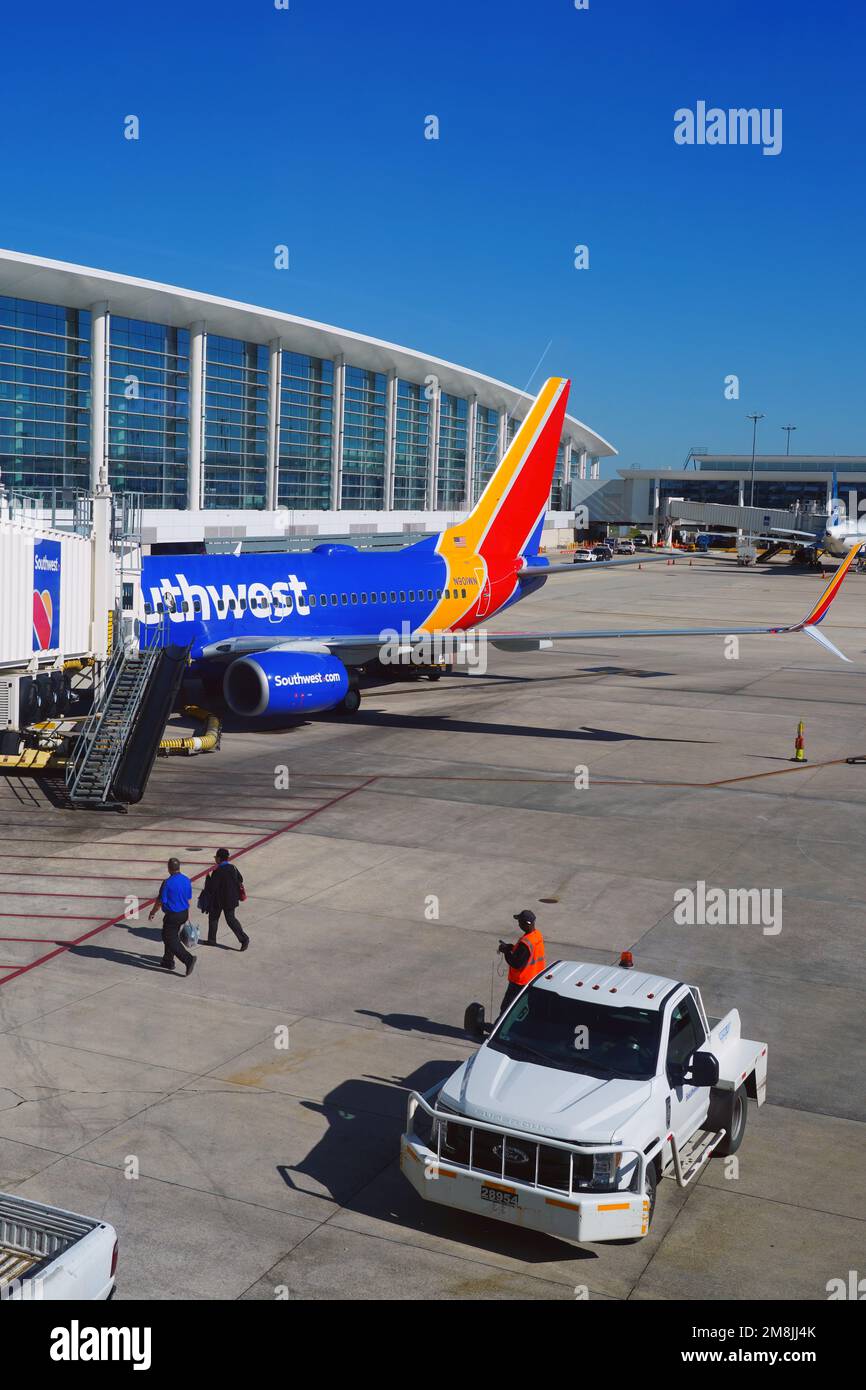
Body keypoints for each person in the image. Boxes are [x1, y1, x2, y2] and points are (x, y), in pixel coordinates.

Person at [148, 857, 196, 976]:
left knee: (169, 937)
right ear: (179, 867)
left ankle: (188, 959)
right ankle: (168, 961)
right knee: (171, 935)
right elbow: (189, 899)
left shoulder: (167, 883)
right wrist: (187, 915)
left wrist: (153, 912)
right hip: (183, 913)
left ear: (169, 868)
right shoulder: (186, 880)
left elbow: (159, 901)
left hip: (173, 915)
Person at [497, 909, 545, 1016]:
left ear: (526, 924)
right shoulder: (537, 935)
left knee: (507, 1010)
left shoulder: (526, 942)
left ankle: (499, 1030)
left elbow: (516, 963)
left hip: (520, 983)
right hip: (533, 980)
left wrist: (506, 952)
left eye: (520, 922)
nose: (518, 924)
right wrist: (511, 948)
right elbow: (528, 954)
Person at [202, 848, 249, 950]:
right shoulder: (233, 868)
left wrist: (208, 879)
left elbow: (212, 887)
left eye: (216, 857)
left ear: (219, 858)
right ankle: (244, 939)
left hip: (218, 900)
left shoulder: (217, 871)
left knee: (213, 918)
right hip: (231, 899)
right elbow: (240, 879)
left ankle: (212, 940)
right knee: (231, 920)